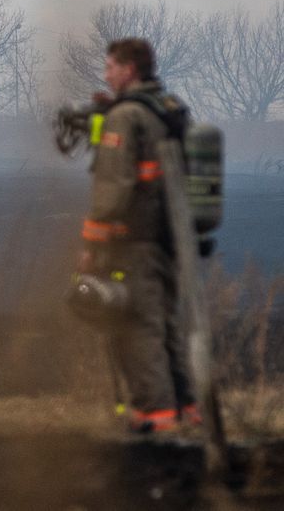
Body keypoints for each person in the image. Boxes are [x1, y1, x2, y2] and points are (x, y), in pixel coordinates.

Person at [79, 37, 200, 433]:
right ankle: (188, 409)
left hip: (132, 242)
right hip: (170, 239)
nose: (106, 73)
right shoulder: (168, 109)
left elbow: (113, 188)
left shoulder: (126, 116)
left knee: (137, 326)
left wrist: (92, 243)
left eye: (111, 66)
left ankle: (156, 418)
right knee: (166, 324)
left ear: (129, 69)